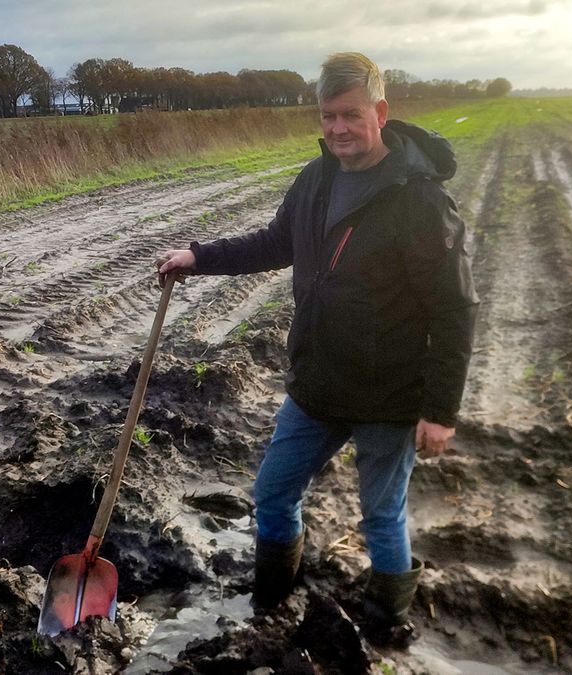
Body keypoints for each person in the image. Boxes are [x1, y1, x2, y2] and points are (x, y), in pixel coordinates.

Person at [155, 52, 477, 637]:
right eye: (327, 116)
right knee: (273, 494)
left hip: (391, 394)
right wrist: (198, 257)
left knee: (382, 516)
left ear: (380, 111)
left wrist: (440, 410)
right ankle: (270, 607)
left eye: (350, 115)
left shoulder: (420, 199)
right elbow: (275, 242)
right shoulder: (317, 178)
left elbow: (454, 307)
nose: (337, 129)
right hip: (318, 385)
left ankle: (385, 628)